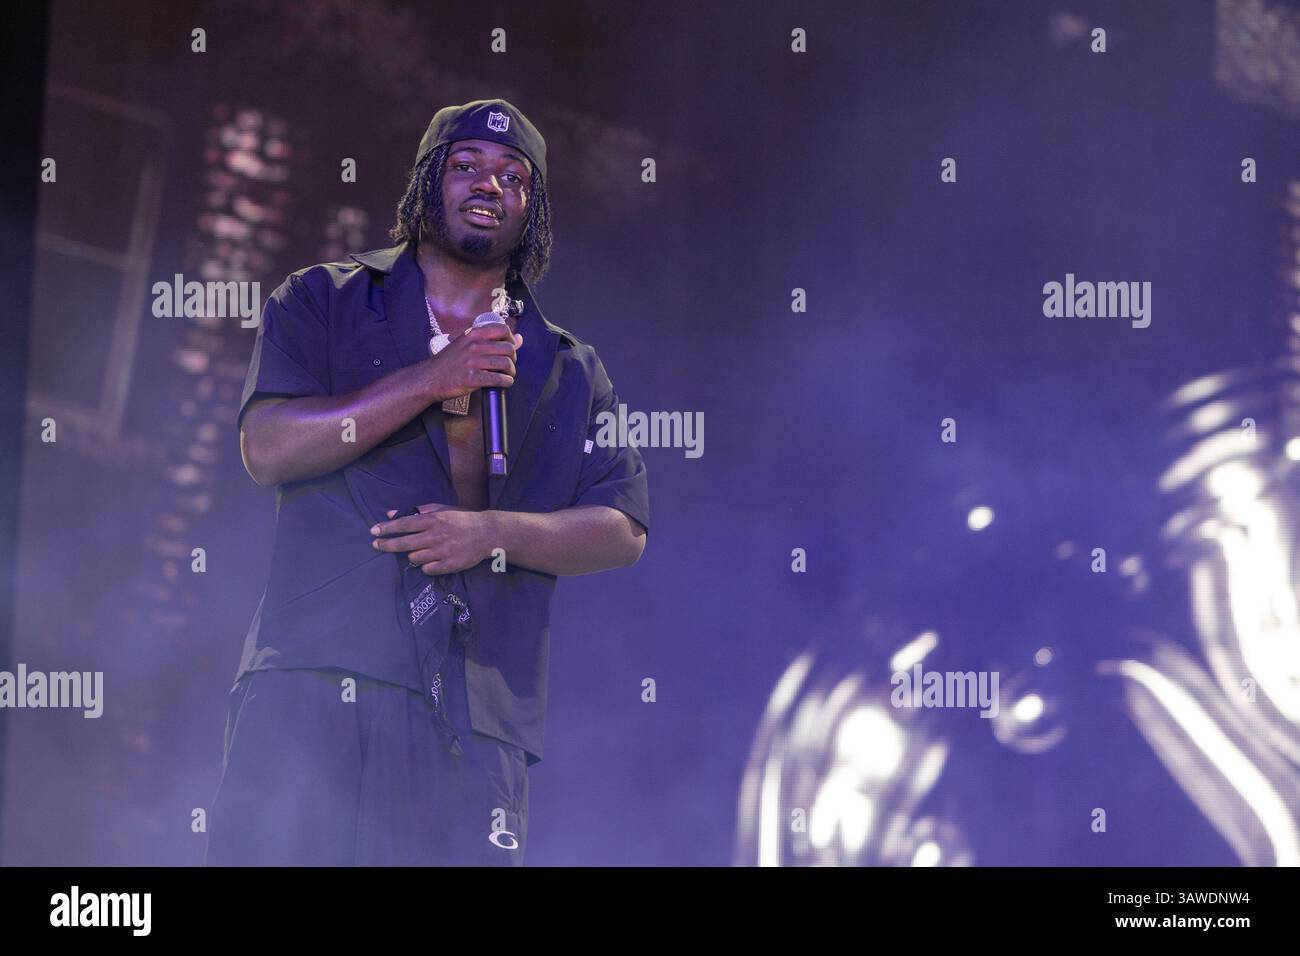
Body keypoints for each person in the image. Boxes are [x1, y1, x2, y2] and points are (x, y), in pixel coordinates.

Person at [205, 99, 650, 866]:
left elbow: (623, 528)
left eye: (514, 177)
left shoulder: (573, 369)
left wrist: (493, 534)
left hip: (476, 714)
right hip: (319, 672)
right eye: (466, 165)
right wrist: (430, 379)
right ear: (425, 185)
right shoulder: (322, 300)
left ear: (532, 213)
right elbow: (268, 447)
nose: (489, 183)